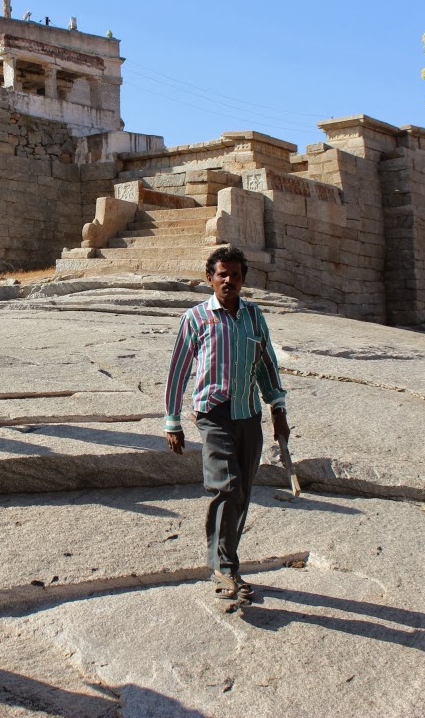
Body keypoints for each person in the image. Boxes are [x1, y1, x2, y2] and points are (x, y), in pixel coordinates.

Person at [163, 245, 289, 601]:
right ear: (210, 279)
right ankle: (224, 569)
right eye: (222, 275)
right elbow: (178, 372)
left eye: (235, 275)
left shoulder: (254, 316)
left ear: (243, 280)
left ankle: (228, 563)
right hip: (213, 414)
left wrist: (278, 410)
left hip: (248, 414)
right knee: (227, 487)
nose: (229, 281)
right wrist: (172, 421)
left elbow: (266, 365)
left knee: (243, 493)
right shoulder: (195, 319)